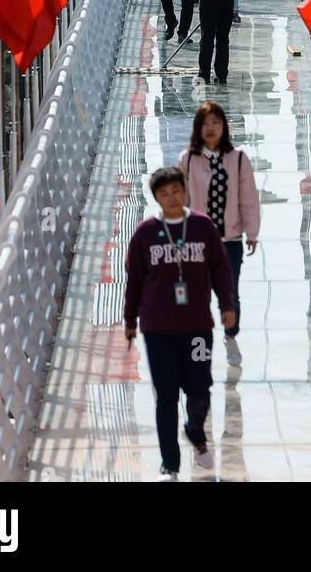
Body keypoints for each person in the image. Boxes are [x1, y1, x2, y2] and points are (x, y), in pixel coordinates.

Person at [124, 166, 235, 481]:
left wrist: (227, 305)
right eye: (164, 194)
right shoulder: (145, 234)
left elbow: (221, 268)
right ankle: (169, 464)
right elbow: (134, 281)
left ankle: (196, 433)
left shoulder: (202, 227)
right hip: (158, 331)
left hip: (197, 327)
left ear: (184, 191)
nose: (171, 198)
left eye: (175, 191)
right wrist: (130, 320)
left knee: (200, 387)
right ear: (156, 198)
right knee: (167, 396)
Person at [178, 102, 260, 366]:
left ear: (224, 126)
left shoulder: (238, 159)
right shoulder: (187, 160)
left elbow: (248, 198)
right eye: (205, 123)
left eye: (215, 122)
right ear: (197, 128)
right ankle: (199, 345)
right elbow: (180, 200)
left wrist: (252, 232)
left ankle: (231, 336)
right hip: (197, 241)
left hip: (230, 241)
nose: (210, 128)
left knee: (229, 294)